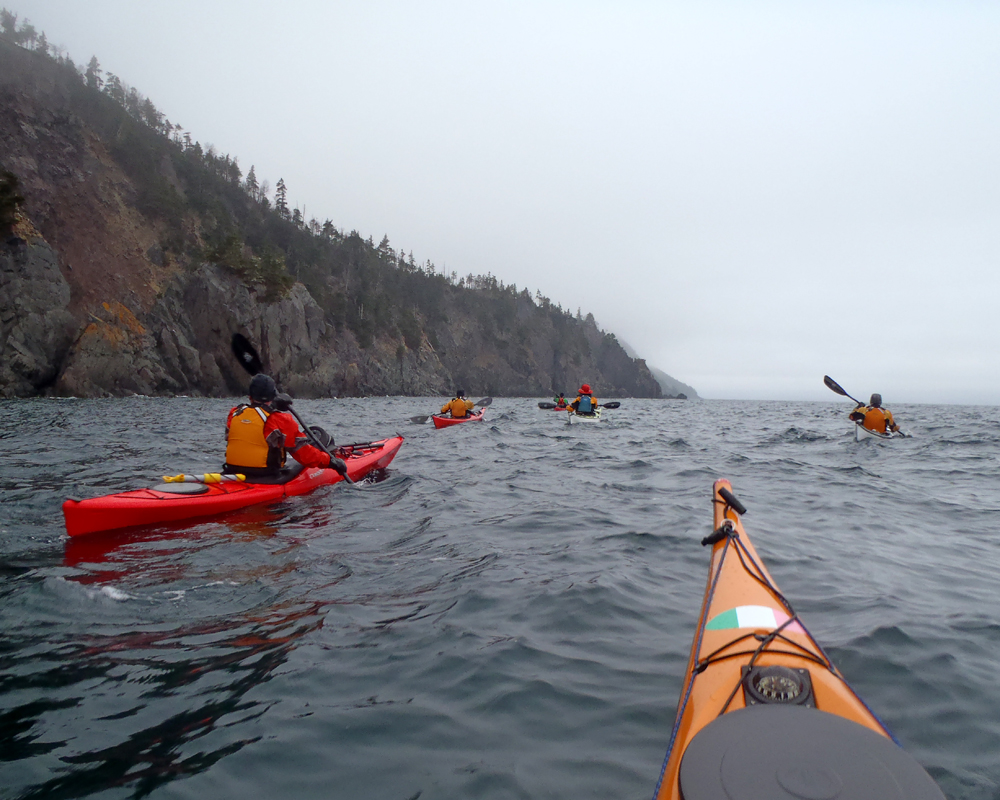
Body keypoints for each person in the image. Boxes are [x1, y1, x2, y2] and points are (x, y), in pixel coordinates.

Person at [224, 374, 347, 478]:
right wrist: (331, 462)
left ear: (250, 396)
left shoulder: (234, 413)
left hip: (233, 473)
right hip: (266, 477)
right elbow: (304, 455)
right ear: (273, 396)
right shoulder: (279, 419)